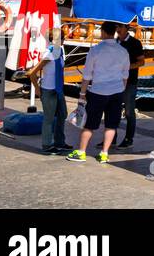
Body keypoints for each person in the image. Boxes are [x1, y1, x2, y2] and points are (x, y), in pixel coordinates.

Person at [65, 22, 130, 164]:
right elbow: (125, 75)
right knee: (111, 124)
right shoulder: (123, 51)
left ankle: (81, 152)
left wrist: (82, 94)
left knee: (89, 124)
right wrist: (122, 90)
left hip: (98, 91)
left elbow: (87, 75)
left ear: (103, 32)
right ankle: (104, 153)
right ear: (114, 32)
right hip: (117, 91)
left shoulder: (95, 50)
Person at [28, 27, 69, 155]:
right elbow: (32, 73)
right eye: (62, 38)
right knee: (49, 119)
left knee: (63, 114)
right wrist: (37, 89)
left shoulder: (60, 51)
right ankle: (47, 144)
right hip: (49, 90)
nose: (64, 40)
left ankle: (59, 142)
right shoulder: (49, 54)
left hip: (58, 89)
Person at [114, 24, 146, 149]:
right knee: (113, 110)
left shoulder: (135, 43)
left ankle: (129, 139)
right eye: (117, 27)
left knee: (128, 111)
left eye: (120, 27)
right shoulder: (115, 42)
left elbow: (141, 62)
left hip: (130, 82)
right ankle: (112, 138)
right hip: (115, 81)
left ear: (126, 28)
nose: (118, 29)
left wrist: (127, 67)